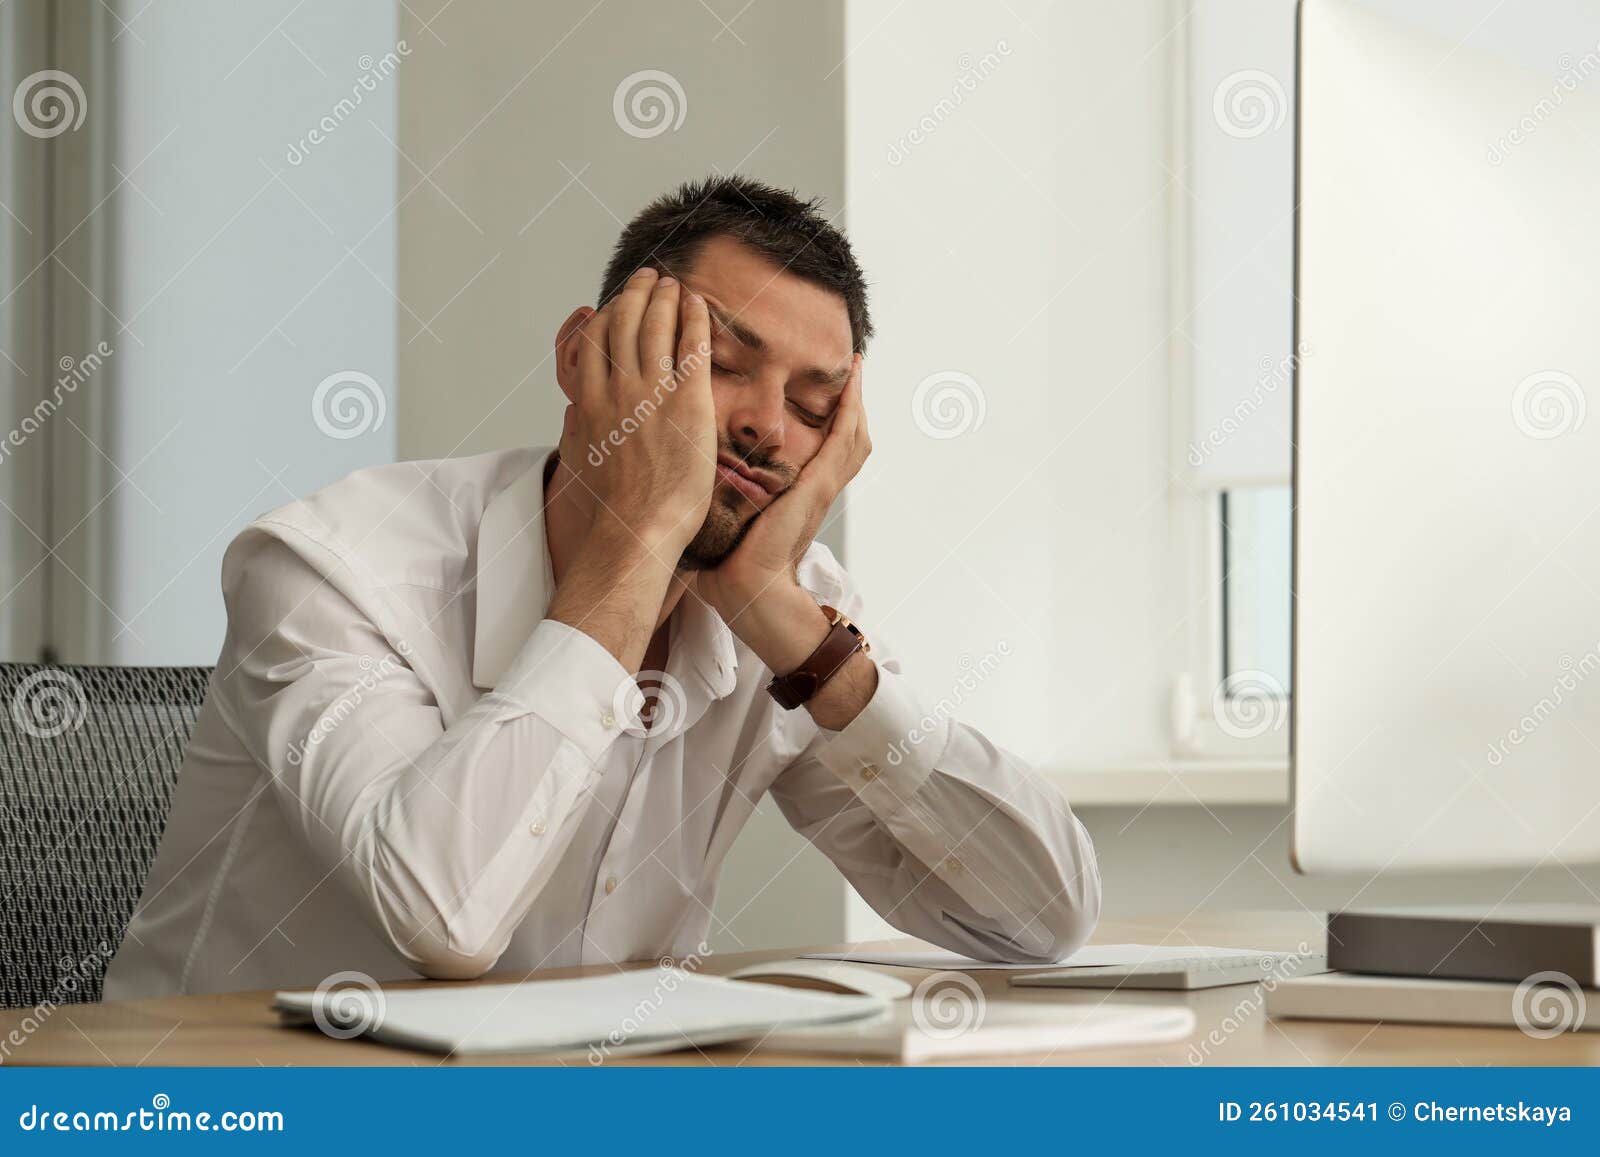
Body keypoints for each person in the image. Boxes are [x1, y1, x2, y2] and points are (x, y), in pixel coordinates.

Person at [104, 175, 1101, 998]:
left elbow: (1039, 919)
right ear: (584, 355)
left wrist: (799, 634)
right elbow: (442, 919)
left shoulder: (781, 611)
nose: (763, 425)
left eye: (812, 405)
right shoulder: (334, 566)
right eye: (721, 362)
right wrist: (639, 536)